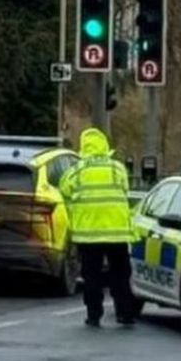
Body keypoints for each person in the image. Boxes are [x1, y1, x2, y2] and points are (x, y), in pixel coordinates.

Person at [60, 128, 136, 327]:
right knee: (120, 275)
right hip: (117, 233)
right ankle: (125, 313)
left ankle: (94, 315)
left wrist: (75, 216)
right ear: (105, 145)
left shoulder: (76, 171)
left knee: (91, 276)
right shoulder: (117, 168)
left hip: (88, 234)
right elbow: (125, 190)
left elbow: (64, 192)